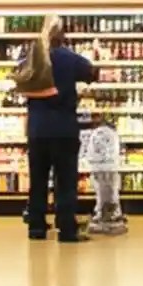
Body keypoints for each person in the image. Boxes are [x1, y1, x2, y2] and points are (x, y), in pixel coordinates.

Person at [25, 15, 94, 242]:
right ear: (62, 35)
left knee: (38, 179)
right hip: (64, 129)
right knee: (65, 180)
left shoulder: (32, 57)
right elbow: (91, 73)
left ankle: (36, 226)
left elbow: (19, 78)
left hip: (37, 129)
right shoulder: (69, 57)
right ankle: (66, 227)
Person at [81, 115, 127, 235]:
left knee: (101, 192)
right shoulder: (112, 134)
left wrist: (90, 164)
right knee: (112, 191)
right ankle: (112, 216)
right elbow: (117, 152)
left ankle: (102, 215)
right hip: (111, 167)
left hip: (97, 167)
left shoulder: (95, 134)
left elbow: (89, 152)